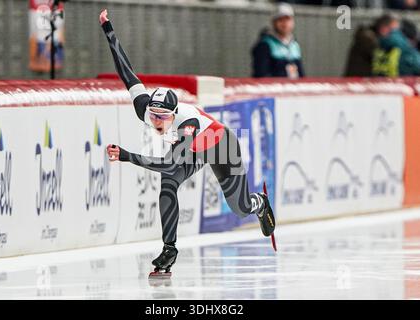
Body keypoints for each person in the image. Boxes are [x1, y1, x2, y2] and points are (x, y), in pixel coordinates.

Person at [99, 9, 276, 276]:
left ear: (173, 114)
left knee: (239, 209)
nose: (157, 122)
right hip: (194, 149)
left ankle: (259, 203)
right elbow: (128, 73)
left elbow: (169, 165)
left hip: (221, 147)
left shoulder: (187, 124)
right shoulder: (144, 108)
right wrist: (109, 31)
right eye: (154, 116)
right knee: (167, 186)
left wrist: (127, 156)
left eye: (163, 117)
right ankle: (169, 248)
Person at [251, 3, 304, 78]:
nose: (284, 23)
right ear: (273, 22)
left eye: (287, 19)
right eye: (280, 20)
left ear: (293, 22)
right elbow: (261, 76)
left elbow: (301, 75)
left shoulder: (294, 44)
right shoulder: (265, 45)